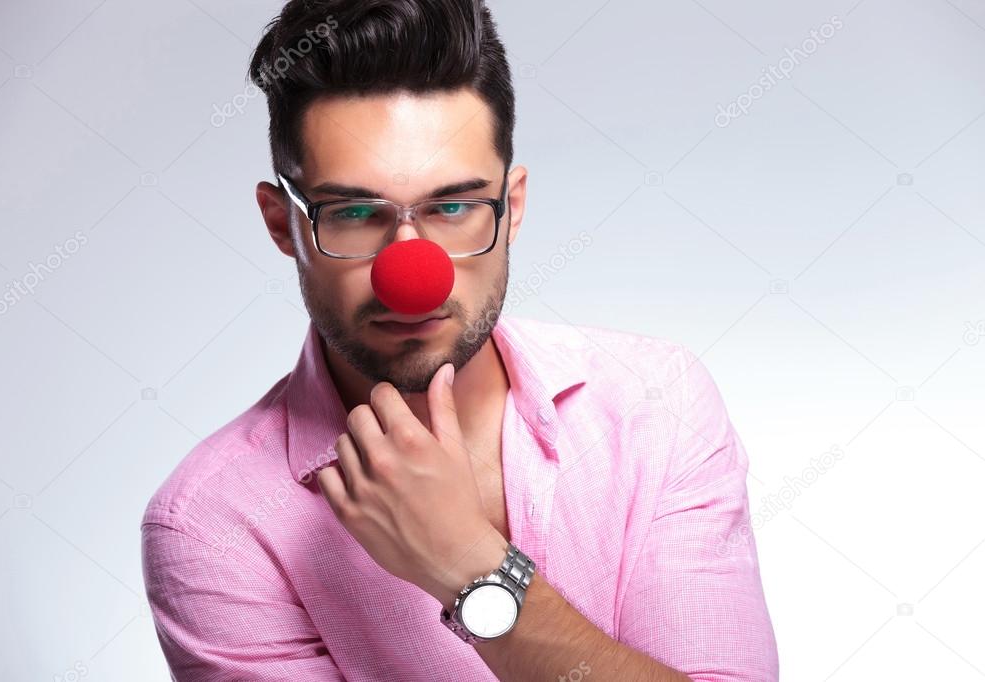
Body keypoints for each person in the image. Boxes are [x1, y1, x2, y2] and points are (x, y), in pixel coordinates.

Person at [140, 1, 779, 679]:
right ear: (281, 224)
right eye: (353, 213)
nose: (409, 273)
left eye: (452, 207)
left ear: (513, 207)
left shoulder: (657, 403)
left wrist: (472, 569)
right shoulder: (212, 524)